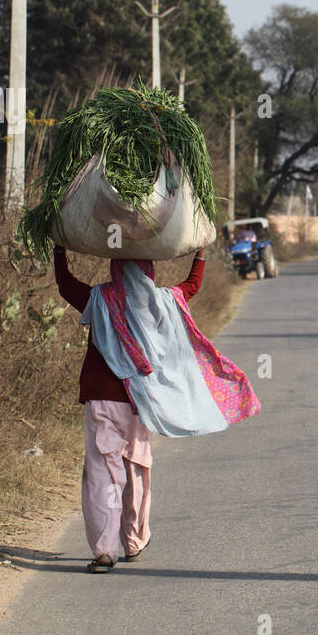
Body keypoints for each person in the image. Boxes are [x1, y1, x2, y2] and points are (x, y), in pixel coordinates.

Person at [54, 245, 259, 573]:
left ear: (114, 270)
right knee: (136, 466)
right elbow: (192, 284)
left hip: (103, 399)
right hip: (141, 401)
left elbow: (65, 284)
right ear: (149, 272)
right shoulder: (164, 301)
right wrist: (200, 252)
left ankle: (105, 551)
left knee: (103, 473)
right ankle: (134, 539)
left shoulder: (100, 299)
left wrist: (59, 247)